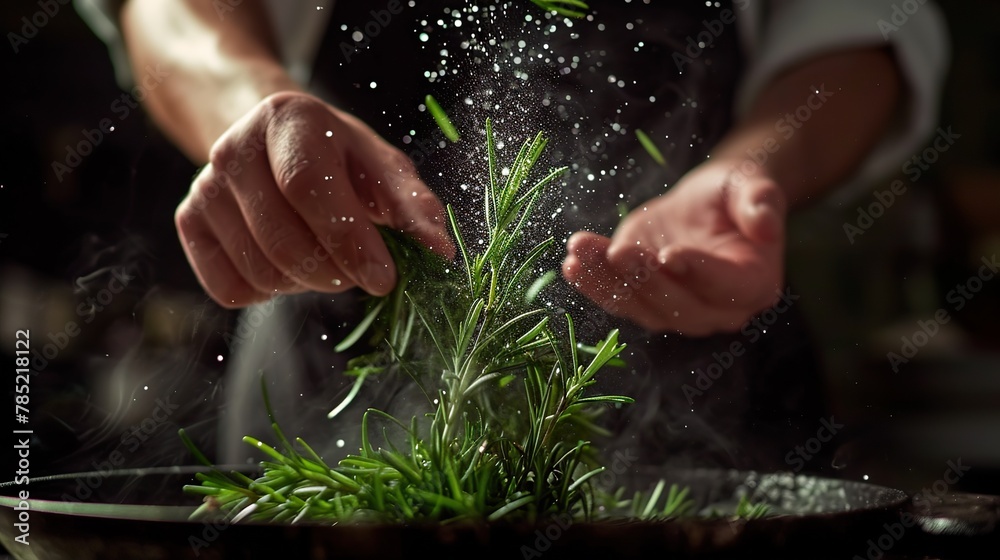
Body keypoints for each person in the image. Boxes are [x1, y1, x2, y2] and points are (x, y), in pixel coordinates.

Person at [77, 0, 948, 471]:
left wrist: (752, 168)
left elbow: (864, 28)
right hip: (332, 362)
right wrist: (252, 115)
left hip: (709, 349)